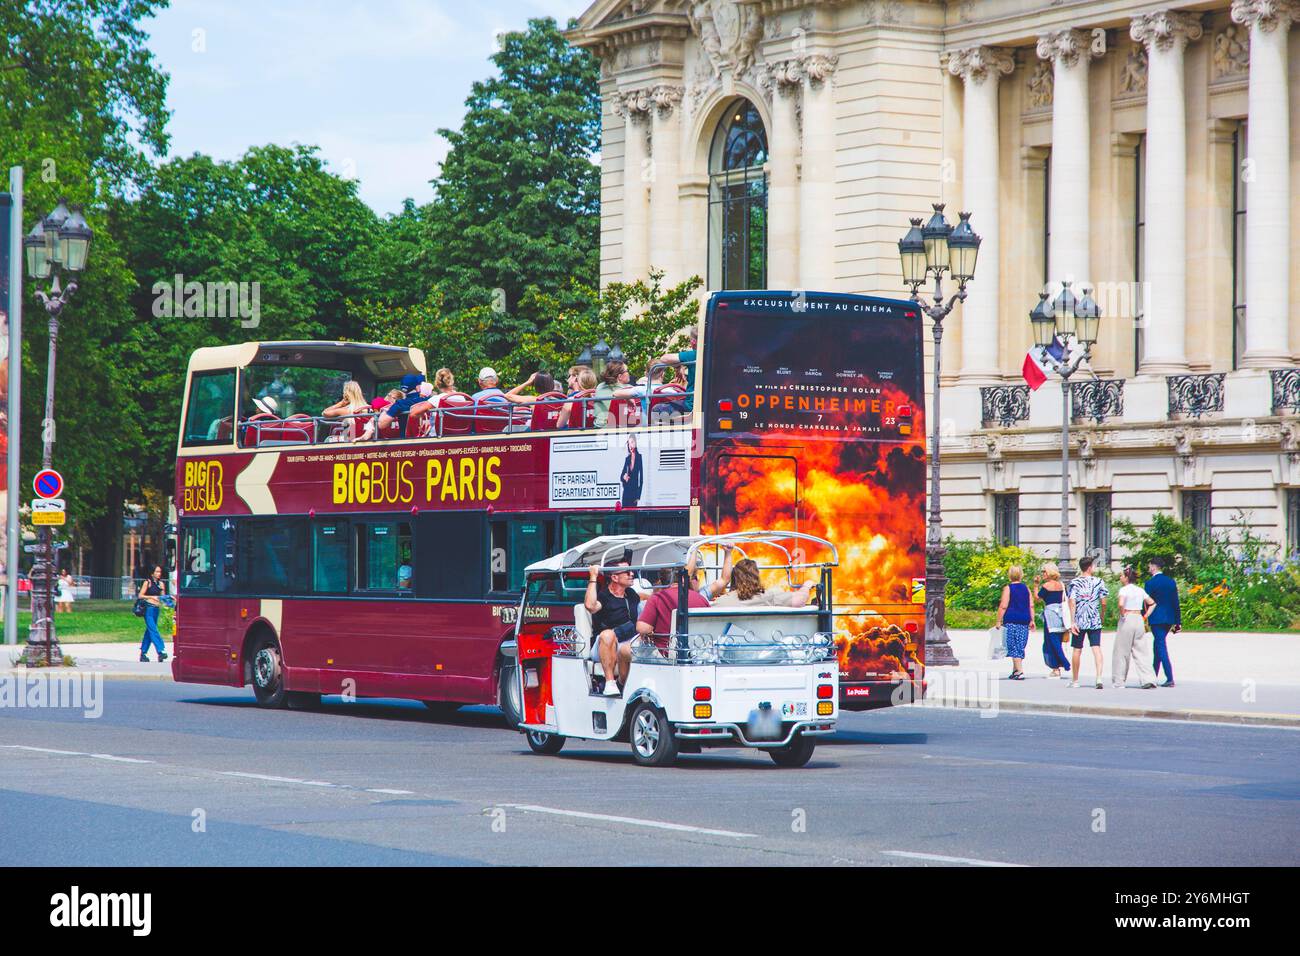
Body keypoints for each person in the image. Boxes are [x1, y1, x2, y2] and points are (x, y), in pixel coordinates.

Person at [585, 556, 641, 695]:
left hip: (627, 641)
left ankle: (621, 683)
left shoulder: (631, 594)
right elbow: (590, 606)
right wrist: (593, 576)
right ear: (615, 577)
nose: (632, 574)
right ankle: (610, 682)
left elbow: (648, 598)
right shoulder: (604, 596)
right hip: (604, 645)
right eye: (627, 572)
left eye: (631, 571)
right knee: (608, 634)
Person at [636, 553, 713, 649]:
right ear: (683, 579)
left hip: (665, 653)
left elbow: (643, 628)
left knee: (626, 650)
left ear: (662, 580)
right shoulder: (701, 598)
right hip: (698, 652)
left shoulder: (657, 598)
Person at [1067, 555, 1109, 689]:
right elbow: (1103, 602)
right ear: (1090, 567)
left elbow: (1072, 602)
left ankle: (1075, 680)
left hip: (1080, 620)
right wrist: (1102, 615)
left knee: (1077, 649)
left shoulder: (1075, 583)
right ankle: (1099, 678)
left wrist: (1072, 621)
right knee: (1096, 648)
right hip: (1094, 619)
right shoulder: (1099, 582)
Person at [1113, 565, 1158, 689]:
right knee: (1141, 650)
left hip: (1127, 618)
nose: (1120, 578)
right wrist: (1145, 616)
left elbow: (1121, 604)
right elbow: (1152, 603)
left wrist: (1122, 615)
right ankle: (1148, 679)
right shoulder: (1140, 590)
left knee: (1122, 651)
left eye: (1122, 576)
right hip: (1138, 618)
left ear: (1127, 577)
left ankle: (1119, 681)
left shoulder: (1124, 590)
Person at [711, 557, 816, 607]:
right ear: (756, 577)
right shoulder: (769, 596)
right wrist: (806, 586)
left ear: (734, 578)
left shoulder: (721, 602)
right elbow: (800, 600)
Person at [1145, 557, 1182, 687]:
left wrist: (1143, 617)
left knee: (1160, 646)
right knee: (1157, 646)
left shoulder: (1150, 583)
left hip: (1156, 618)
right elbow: (1175, 602)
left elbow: (1146, 602)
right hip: (1169, 618)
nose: (1149, 568)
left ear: (1154, 567)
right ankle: (1152, 676)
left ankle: (1170, 677)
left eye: (1150, 565)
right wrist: (1178, 622)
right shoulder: (1170, 582)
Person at [1035, 562, 1071, 679]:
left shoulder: (1046, 586)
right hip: (1061, 615)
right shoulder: (1061, 585)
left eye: (1044, 571)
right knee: (1057, 641)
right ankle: (1058, 668)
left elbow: (1038, 598)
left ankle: (1060, 665)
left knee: (1051, 642)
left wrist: (1036, 585)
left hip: (1050, 615)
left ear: (1050, 572)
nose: (1043, 574)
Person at [996, 565, 1033, 679]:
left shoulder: (1008, 588)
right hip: (1024, 619)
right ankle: (1015, 670)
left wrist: (998, 620)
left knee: (1013, 646)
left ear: (1009, 575)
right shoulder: (1026, 588)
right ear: (1021, 575)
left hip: (1012, 619)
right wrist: (1032, 620)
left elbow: (1003, 606)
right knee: (1020, 645)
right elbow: (1031, 605)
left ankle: (1020, 671)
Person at [652, 326, 698, 409]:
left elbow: (664, 358)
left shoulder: (694, 355)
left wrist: (678, 366)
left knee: (657, 409)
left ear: (693, 341)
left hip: (691, 405)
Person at [373, 373, 427, 438]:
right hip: (429, 441)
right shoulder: (429, 400)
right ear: (417, 387)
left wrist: (385, 410)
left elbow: (381, 424)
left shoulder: (399, 404)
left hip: (406, 443)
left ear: (401, 388)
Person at [592, 361, 638, 428]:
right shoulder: (629, 389)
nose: (629, 373)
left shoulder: (600, 386)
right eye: (627, 371)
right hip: (620, 429)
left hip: (599, 427)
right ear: (620, 376)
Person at [138, 565, 169, 663]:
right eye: (157, 572)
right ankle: (161, 651)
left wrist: (170, 598)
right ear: (152, 573)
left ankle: (143, 653)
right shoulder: (148, 582)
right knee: (153, 630)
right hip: (148, 609)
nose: (159, 574)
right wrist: (151, 597)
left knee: (150, 631)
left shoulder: (161, 584)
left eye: (160, 572)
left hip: (156, 609)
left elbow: (163, 597)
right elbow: (140, 595)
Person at [620, 434, 643, 508]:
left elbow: (641, 478)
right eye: (629, 443)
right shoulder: (627, 459)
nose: (630, 445)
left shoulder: (639, 457)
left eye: (632, 442)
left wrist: (638, 496)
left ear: (635, 443)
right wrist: (624, 477)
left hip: (634, 495)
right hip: (626, 493)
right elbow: (621, 477)